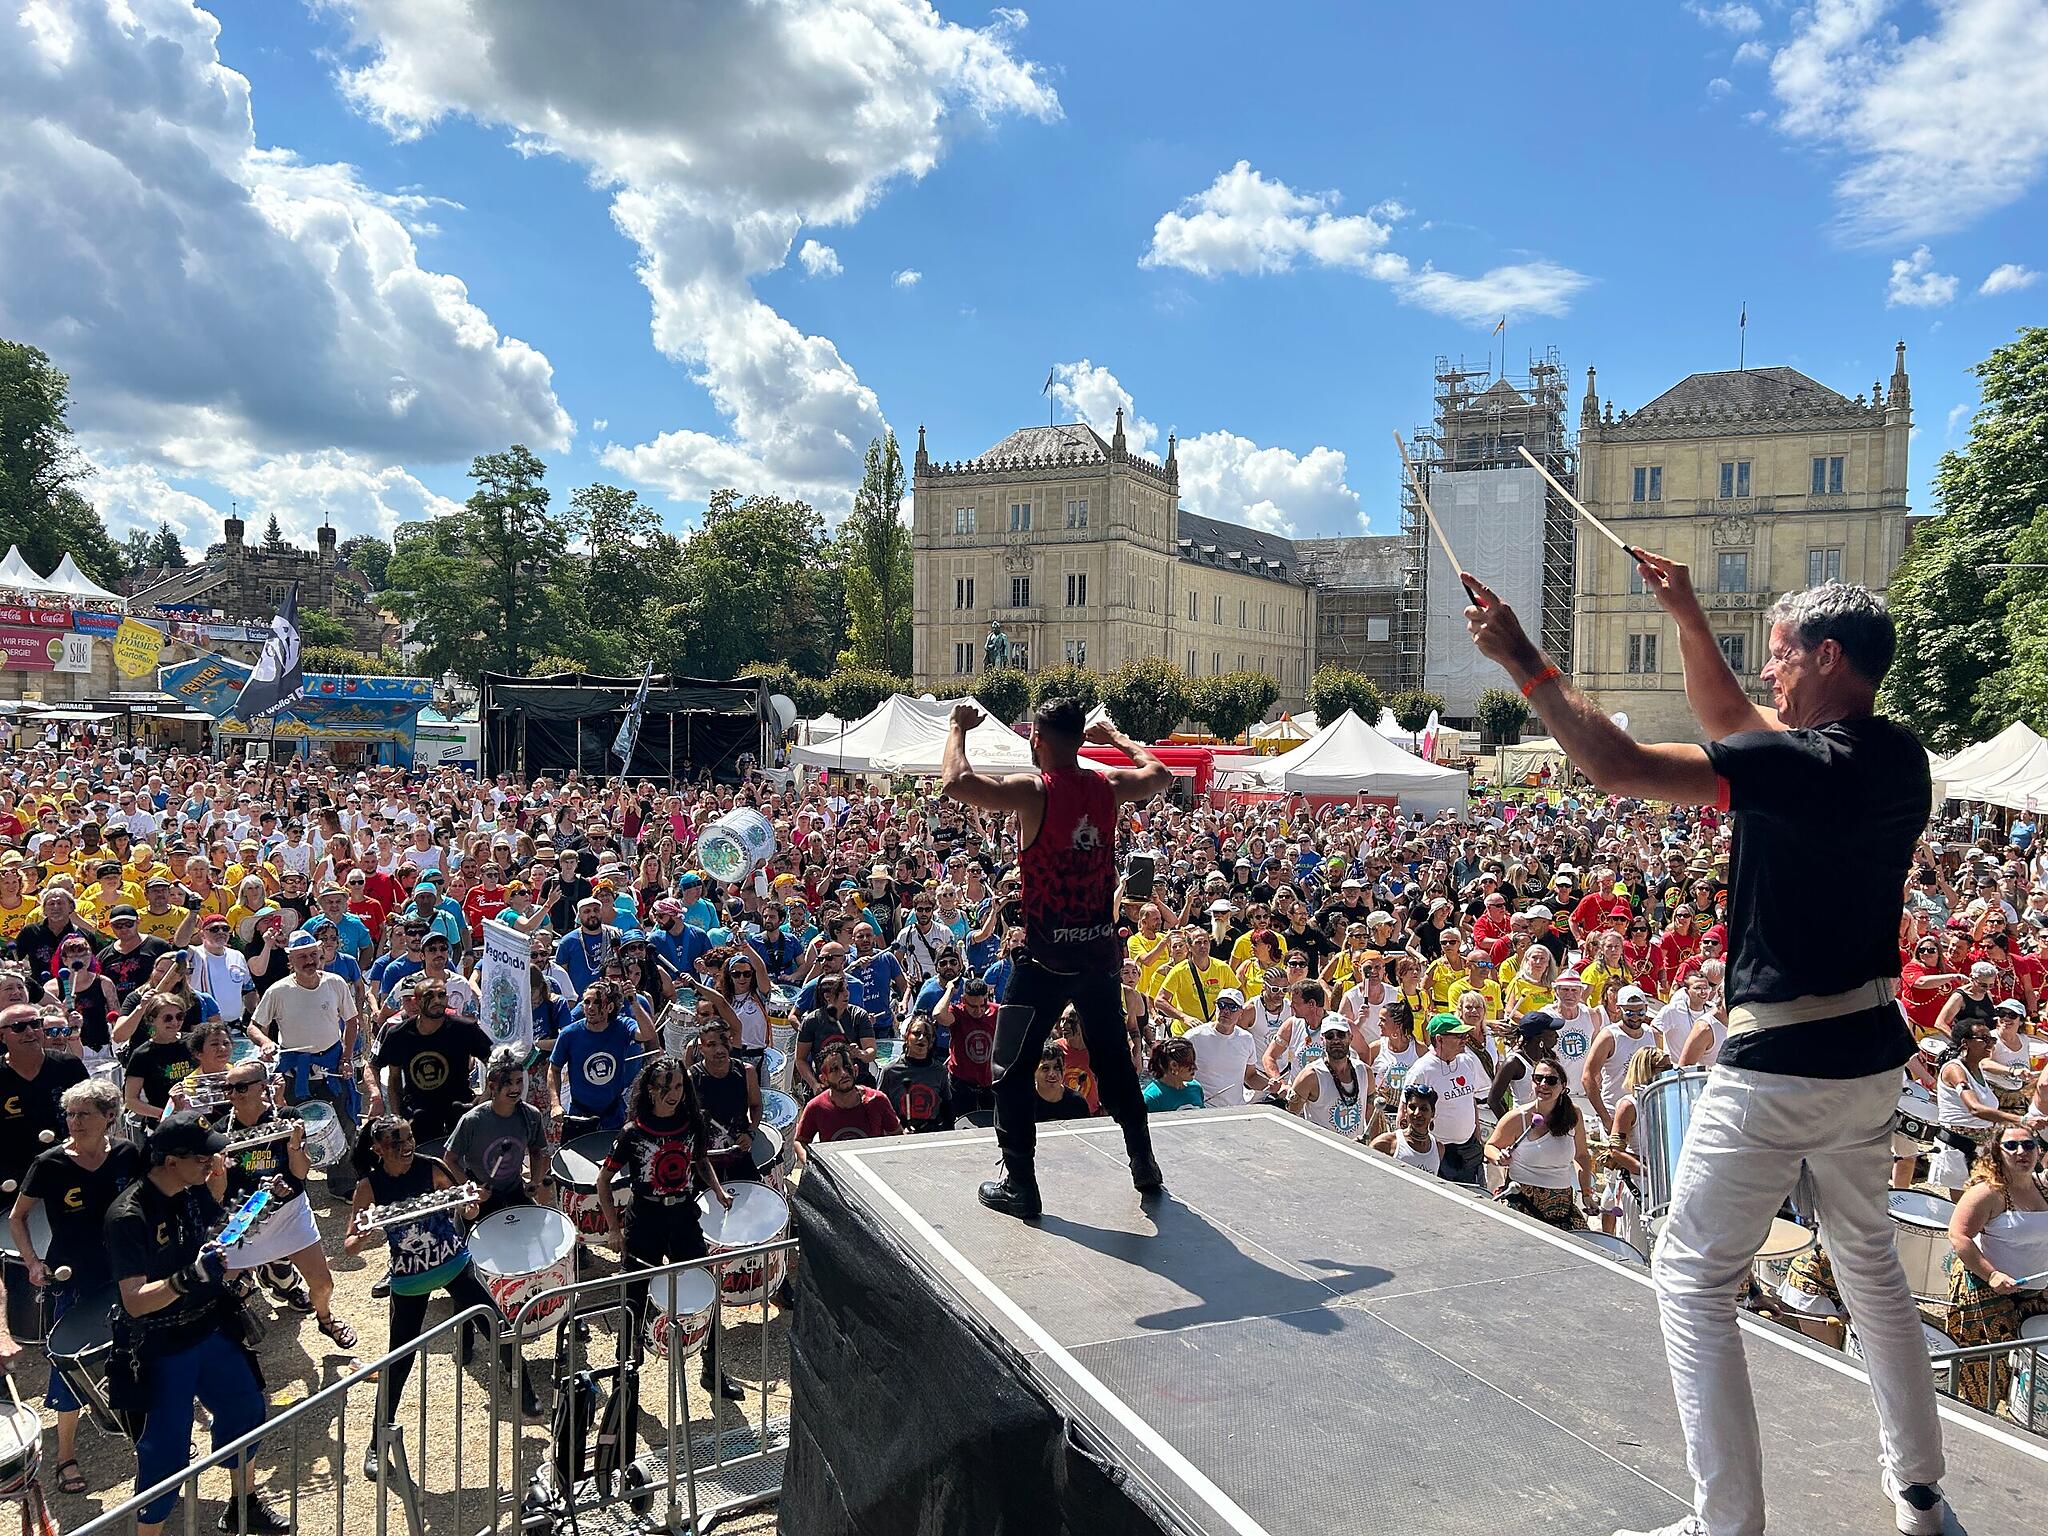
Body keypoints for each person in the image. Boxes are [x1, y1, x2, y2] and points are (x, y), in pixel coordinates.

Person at [1466, 568, 1949, 1536]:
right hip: (1867, 1054)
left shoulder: (1795, 769)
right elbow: (1730, 716)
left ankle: (1724, 1523)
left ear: (1824, 658)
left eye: (1777, 653)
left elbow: (1615, 765)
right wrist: (1684, 615)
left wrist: (1523, 660)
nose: (1764, 672)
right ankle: (1919, 1495)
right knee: (1869, 1265)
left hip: (1779, 1063)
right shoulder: (1899, 760)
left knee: (1688, 1272)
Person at [939, 698, 1172, 1219]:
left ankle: (1021, 1183)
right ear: (1082, 740)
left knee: (1009, 1068)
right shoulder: (1107, 785)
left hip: (1044, 961)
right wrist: (1115, 738)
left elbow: (956, 782)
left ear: (1038, 740)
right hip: (1097, 960)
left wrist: (957, 727)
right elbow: (1157, 772)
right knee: (1114, 1062)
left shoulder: (1033, 790)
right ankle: (1144, 1166)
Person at [105, 1111, 288, 1535]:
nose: (213, 1164)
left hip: (210, 1330)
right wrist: (188, 1277)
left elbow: (217, 1237)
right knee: (166, 1453)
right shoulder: (128, 1216)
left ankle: (244, 1504)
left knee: (246, 1412)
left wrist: (261, 1204)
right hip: (162, 1348)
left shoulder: (190, 1191)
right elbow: (133, 1302)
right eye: (203, 1158)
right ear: (170, 1160)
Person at [344, 1114, 541, 1462]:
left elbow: (466, 1207)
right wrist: (361, 1237)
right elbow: (348, 1245)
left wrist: (470, 1205)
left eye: (408, 1139)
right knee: (399, 1361)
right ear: (378, 1148)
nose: (406, 1147)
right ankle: (377, 1443)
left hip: (454, 1266)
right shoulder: (369, 1187)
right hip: (408, 1280)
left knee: (498, 1329)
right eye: (396, 1142)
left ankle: (526, 1397)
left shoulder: (430, 1166)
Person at [11, 1077, 143, 1496]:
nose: (74, 1121)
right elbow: (17, 1217)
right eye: (69, 1114)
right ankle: (65, 1455)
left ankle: (145, 1434)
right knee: (69, 1365)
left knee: (140, 1350)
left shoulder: (127, 1153)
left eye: (83, 1114)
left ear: (109, 1116)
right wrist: (33, 1262)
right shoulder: (48, 1164)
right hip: (74, 1277)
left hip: (127, 1270)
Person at [596, 1052, 743, 1401]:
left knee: (706, 1291)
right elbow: (604, 1180)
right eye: (665, 1086)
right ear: (649, 1090)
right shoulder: (633, 1133)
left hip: (682, 1218)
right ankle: (626, 1378)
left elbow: (700, 1160)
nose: (673, 1093)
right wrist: (615, 1230)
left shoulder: (692, 1123)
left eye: (678, 1085)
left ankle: (712, 1369)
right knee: (633, 1299)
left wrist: (719, 1192)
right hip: (645, 1221)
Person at [204, 1057, 356, 1348]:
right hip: (244, 1214)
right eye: (228, 1089)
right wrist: (218, 1169)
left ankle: (325, 1319)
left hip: (288, 1211)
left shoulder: (286, 1117)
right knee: (218, 1286)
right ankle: (233, 1335)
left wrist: (296, 1144)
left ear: (262, 1087)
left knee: (323, 1283)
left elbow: (301, 1173)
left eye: (241, 1087)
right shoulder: (220, 1130)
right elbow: (217, 1193)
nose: (234, 1094)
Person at [1941, 1131, 2048, 1410]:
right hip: (1986, 1293)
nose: (2021, 1151)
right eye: (2011, 1146)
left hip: (2037, 1292)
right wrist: (1992, 1274)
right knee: (1987, 1376)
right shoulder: (1988, 1193)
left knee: (2030, 1370)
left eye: (2029, 1145)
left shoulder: (2044, 1187)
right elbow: (1959, 1236)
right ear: (1997, 1152)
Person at [1486, 1060, 1594, 1230]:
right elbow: (1490, 1147)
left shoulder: (1574, 1114)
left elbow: (1581, 1156)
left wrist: (1586, 1193)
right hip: (1522, 1201)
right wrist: (1499, 1158)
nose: (1544, 1084)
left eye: (1551, 1080)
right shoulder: (1516, 1118)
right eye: (1538, 1079)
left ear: (1563, 1085)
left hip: (1561, 1204)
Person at [445, 1046, 551, 1218]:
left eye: (519, 1081)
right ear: (492, 1086)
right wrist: (471, 1189)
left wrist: (535, 1181)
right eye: (507, 1083)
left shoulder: (531, 1115)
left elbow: (536, 1151)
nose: (516, 1089)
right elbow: (450, 1159)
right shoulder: (472, 1120)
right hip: (481, 1194)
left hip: (514, 1189)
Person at [1404, 1012, 1493, 1186]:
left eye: (1465, 1035)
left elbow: (1470, 1100)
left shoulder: (1467, 1062)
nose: (1464, 1039)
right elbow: (1405, 1111)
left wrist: (1477, 1137)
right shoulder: (1422, 1070)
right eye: (1458, 1036)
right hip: (1439, 1150)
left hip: (1469, 1148)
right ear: (1440, 1039)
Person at [793, 1042, 903, 1152]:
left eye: (847, 1067)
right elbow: (800, 1142)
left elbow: (897, 1135)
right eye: (834, 1069)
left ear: (856, 1070)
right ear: (824, 1079)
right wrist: (812, 1165)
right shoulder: (816, 1107)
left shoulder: (877, 1100)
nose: (843, 1073)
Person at [1286, 1013, 1373, 1140]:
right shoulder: (1310, 1076)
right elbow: (1291, 1120)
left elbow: (1372, 1115)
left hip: (1355, 1152)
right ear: (1322, 1040)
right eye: (1330, 1036)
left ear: (1350, 1037)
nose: (1336, 1040)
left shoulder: (1365, 1072)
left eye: (1341, 1035)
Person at [879, 1014, 953, 1133]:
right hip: (898, 1134)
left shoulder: (940, 1071)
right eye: (916, 1033)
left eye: (927, 1035)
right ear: (906, 1037)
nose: (922, 1038)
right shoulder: (890, 1071)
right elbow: (879, 1107)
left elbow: (947, 1109)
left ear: (933, 1040)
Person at [1370, 1083, 1440, 1174]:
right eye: (1412, 1107)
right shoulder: (1386, 1143)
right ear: (1405, 1111)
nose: (1417, 1113)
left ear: (1433, 1113)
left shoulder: (1438, 1148)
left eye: (1423, 1109)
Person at [1029, 1044, 1091, 1121]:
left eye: (1057, 1068)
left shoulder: (1077, 1102)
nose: (1052, 1074)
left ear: (1064, 1070)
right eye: (1045, 1068)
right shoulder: (1023, 1103)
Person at [1141, 1039, 1203, 1113]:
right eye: (1189, 1064)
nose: (1195, 1068)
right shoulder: (1152, 1098)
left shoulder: (1196, 1088)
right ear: (1173, 1065)